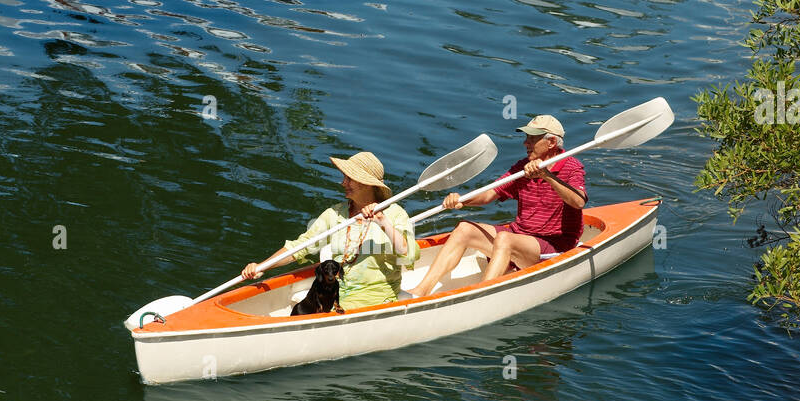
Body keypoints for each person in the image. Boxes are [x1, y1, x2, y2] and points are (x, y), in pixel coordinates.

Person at [408, 114, 586, 297]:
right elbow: (488, 195)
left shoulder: (571, 167)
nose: (526, 143)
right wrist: (461, 200)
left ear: (552, 142)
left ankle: (480, 296)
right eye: (526, 138)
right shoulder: (522, 167)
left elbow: (578, 201)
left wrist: (546, 175)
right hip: (521, 238)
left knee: (504, 239)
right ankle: (420, 292)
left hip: (556, 246)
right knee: (464, 229)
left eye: (532, 139)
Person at [242, 151, 420, 311]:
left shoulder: (394, 214)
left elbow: (407, 254)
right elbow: (300, 246)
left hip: (374, 294)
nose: (343, 183)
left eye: (350, 178)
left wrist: (382, 222)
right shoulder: (335, 214)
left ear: (367, 184)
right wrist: (262, 266)